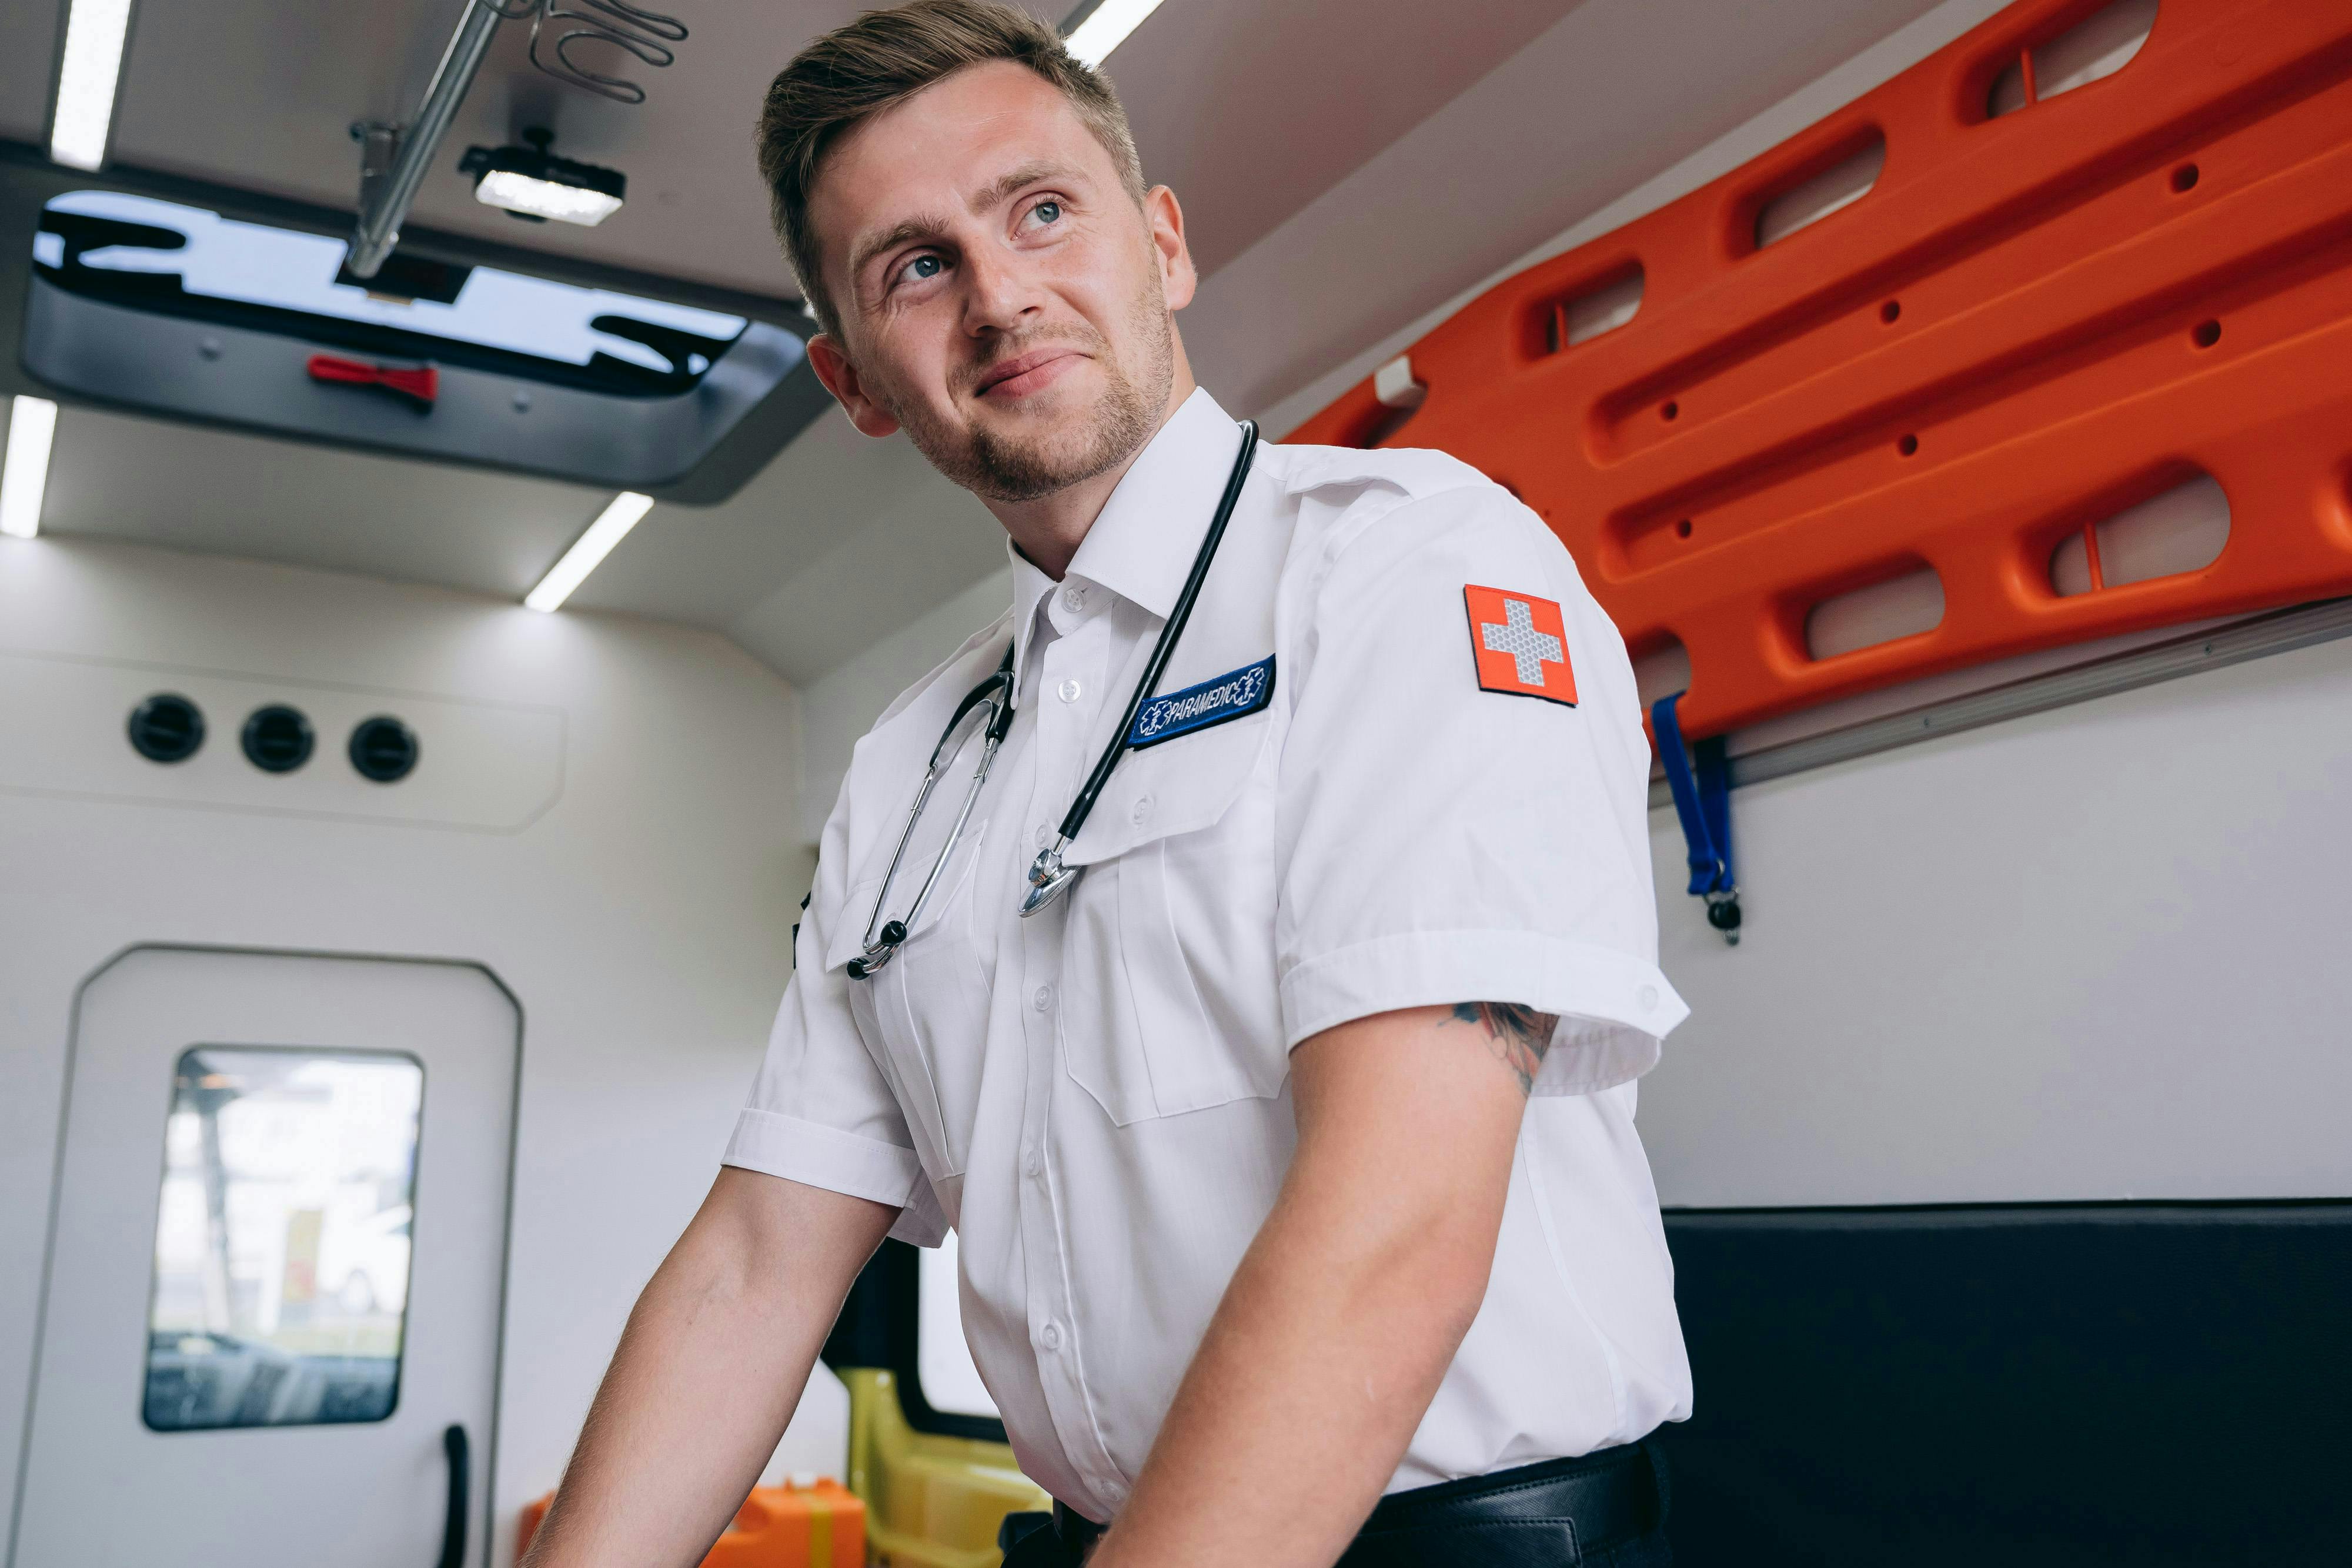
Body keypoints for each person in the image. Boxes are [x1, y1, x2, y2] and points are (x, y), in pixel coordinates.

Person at [519, 3, 1690, 1563]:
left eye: (1042, 211)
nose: (1002, 295)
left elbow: (1394, 1226)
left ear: (1163, 246)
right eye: (916, 266)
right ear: (857, 380)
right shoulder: (909, 768)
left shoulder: (1405, 564)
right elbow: (756, 1259)